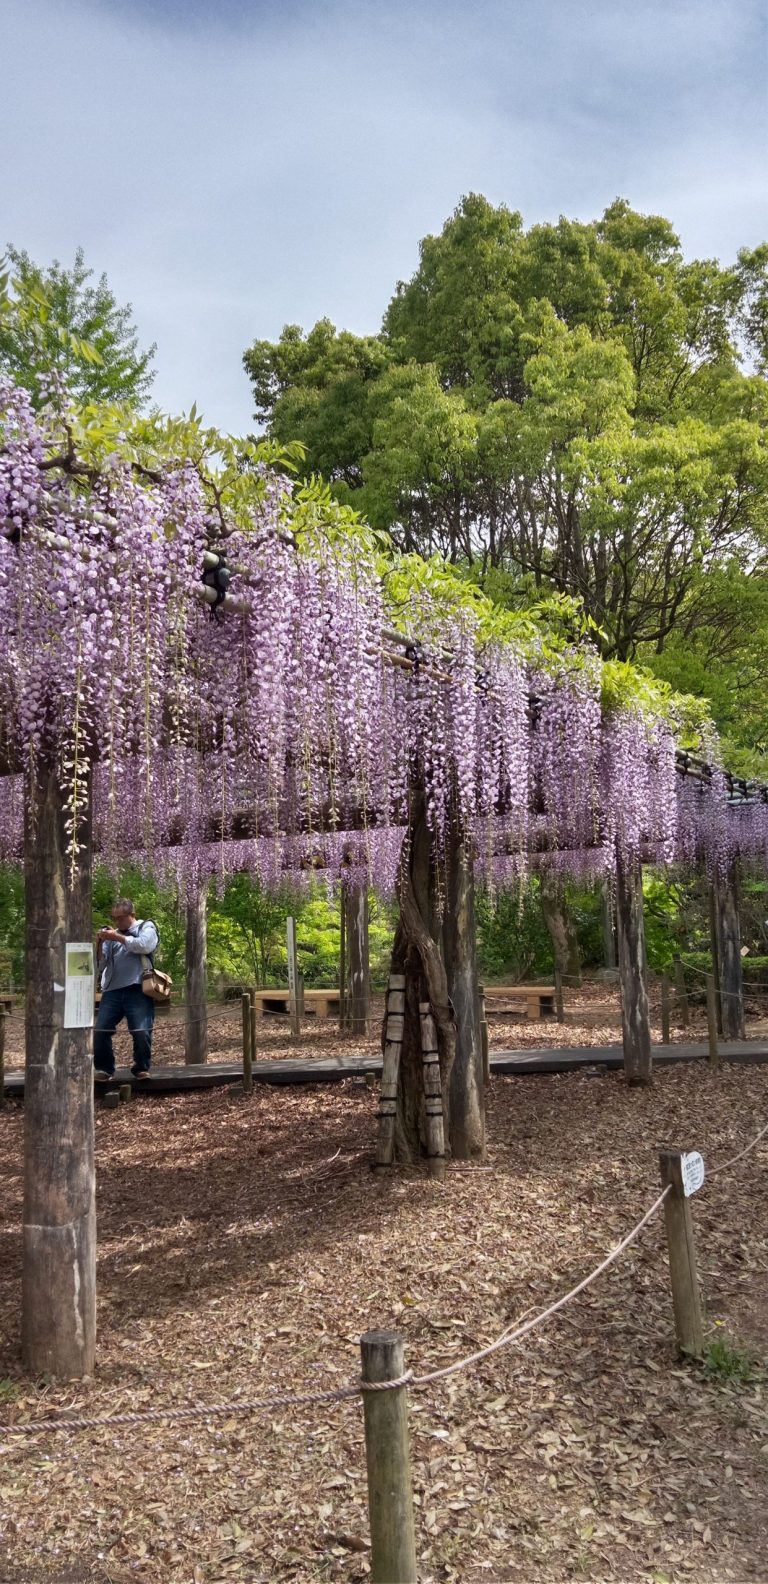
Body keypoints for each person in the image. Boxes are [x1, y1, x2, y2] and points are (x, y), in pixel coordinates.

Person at [93, 900, 159, 1080]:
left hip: (138, 988)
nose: (117, 923)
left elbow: (144, 946)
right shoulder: (111, 936)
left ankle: (141, 1067)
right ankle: (104, 1069)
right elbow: (100, 964)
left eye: (120, 918)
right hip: (112, 990)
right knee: (101, 1030)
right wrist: (99, 943)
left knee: (141, 1030)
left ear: (132, 915)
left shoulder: (146, 927)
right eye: (114, 919)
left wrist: (117, 937)